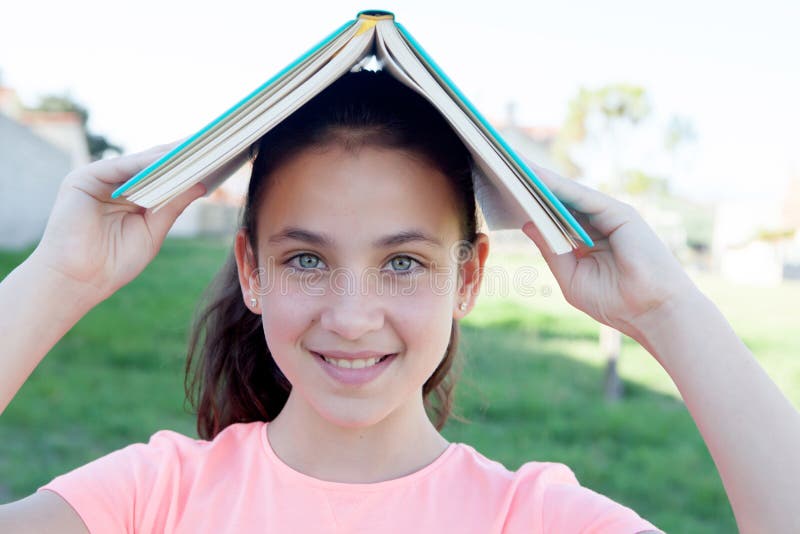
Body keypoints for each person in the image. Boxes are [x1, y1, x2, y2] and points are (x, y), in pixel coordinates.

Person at [0, 70, 797, 534]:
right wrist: (59, 278)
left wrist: (666, 310)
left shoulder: (534, 519)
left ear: (469, 277)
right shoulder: (147, 502)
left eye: (404, 262)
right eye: (306, 258)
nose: (352, 316)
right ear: (250, 270)